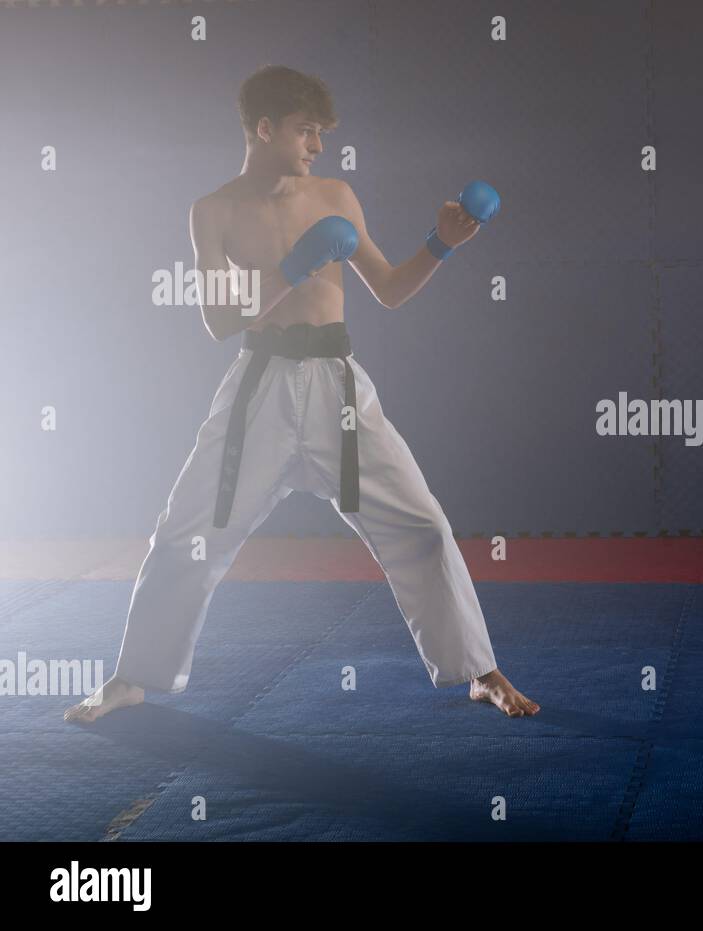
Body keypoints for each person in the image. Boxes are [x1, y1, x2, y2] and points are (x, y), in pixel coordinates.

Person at [66, 65, 537, 723]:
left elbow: (392, 289)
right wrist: (293, 270)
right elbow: (217, 320)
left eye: (320, 133)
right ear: (263, 128)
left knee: (424, 524)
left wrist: (441, 244)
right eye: (305, 131)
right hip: (258, 389)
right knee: (185, 534)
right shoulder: (215, 210)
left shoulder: (336, 195)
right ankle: (131, 676)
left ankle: (479, 671)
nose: (317, 145)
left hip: (338, 386)